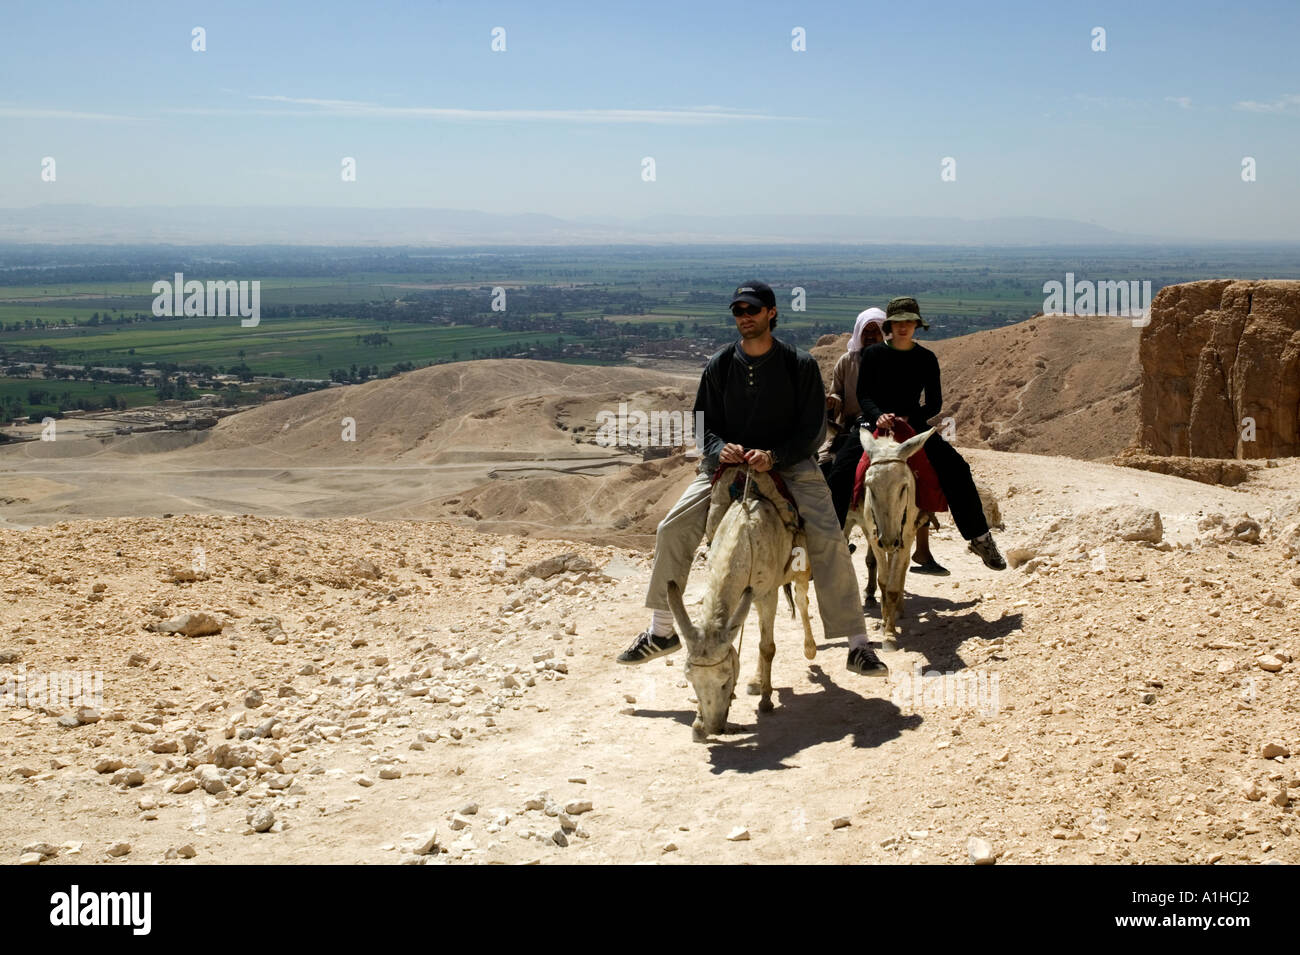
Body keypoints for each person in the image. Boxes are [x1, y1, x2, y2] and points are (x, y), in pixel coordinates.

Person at [617, 280, 889, 677]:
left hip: (789, 464)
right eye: (738, 312)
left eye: (752, 310)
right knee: (670, 528)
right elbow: (701, 424)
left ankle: (857, 644)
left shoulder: (800, 365)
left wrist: (775, 455)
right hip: (727, 464)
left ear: (771, 313)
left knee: (829, 535)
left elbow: (813, 429)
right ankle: (661, 630)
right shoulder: (720, 364)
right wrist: (718, 448)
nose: (744, 317)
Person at [855, 297, 1006, 571]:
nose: (903, 327)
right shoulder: (873, 355)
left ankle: (979, 537)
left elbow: (934, 403)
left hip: (914, 425)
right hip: (875, 423)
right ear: (890, 325)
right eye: (898, 322)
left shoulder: (926, 358)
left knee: (957, 469)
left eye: (908, 321)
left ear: (916, 324)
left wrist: (909, 418)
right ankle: (831, 542)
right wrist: (879, 415)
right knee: (841, 469)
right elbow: (863, 395)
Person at [822, 308, 886, 527]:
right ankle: (834, 531)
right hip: (851, 427)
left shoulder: (893, 360)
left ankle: (922, 543)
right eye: (866, 331)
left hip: (886, 427)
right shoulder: (847, 362)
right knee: (825, 467)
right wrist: (833, 401)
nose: (870, 336)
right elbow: (837, 391)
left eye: (875, 331)